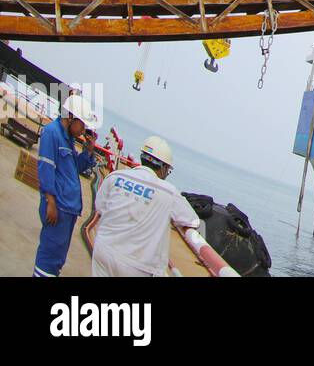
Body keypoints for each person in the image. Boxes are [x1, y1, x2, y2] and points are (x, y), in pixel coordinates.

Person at [91, 135, 200, 277]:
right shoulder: (169, 192)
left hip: (103, 251)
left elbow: (99, 206)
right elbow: (193, 221)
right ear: (163, 167)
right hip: (138, 266)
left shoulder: (116, 177)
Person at [34, 95, 100, 277]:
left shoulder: (68, 139)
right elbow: (45, 168)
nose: (84, 129)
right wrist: (50, 203)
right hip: (58, 207)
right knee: (49, 256)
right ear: (70, 117)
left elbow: (75, 168)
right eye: (82, 124)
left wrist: (88, 150)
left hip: (67, 209)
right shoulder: (52, 133)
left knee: (57, 259)